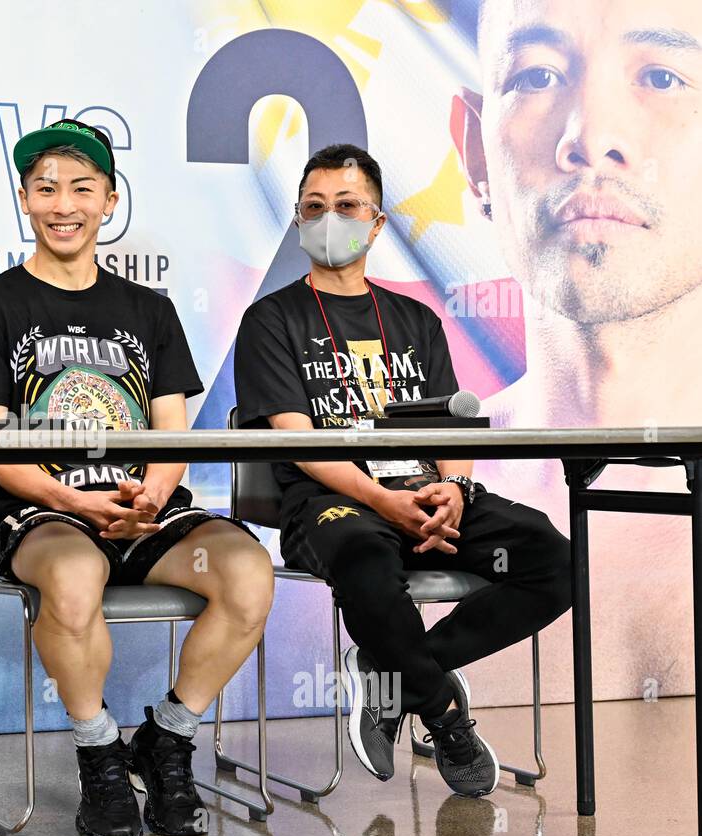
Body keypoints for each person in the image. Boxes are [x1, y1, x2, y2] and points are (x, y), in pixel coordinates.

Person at [0, 120, 274, 836]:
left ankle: (168, 738)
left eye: (82, 189)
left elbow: (171, 430)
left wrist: (151, 494)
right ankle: (99, 757)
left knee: (246, 571)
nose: (65, 204)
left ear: (111, 201)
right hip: (40, 511)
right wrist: (68, 498)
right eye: (46, 188)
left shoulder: (148, 310)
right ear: (24, 200)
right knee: (74, 578)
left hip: (142, 509)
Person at [234, 143, 572, 796]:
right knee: (365, 561)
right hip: (330, 502)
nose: (329, 218)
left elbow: (447, 427)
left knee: (552, 559)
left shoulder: (415, 319)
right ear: (298, 221)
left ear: (378, 221)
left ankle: (392, 672)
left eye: (347, 205)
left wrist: (455, 487)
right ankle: (445, 716)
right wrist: (379, 502)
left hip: (427, 495)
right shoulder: (271, 319)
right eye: (314, 207)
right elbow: (296, 441)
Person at [453, 0, 700, 702]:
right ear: (473, 150)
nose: (590, 137)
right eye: (536, 77)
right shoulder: (381, 552)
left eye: (660, 77)